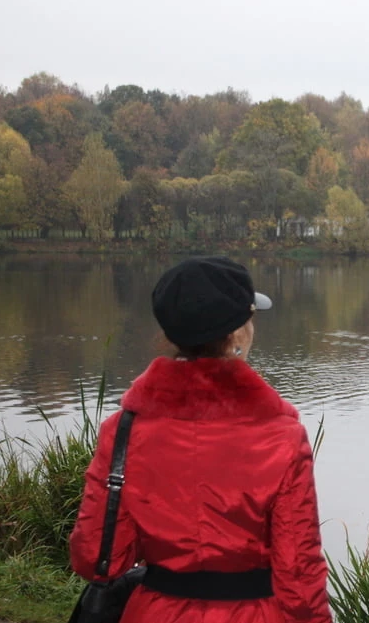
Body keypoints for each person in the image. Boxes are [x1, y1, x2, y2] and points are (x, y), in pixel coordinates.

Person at [69, 256, 332, 623]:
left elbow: (96, 557)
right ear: (238, 333)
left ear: (170, 333)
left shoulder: (124, 431)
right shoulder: (282, 437)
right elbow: (299, 574)